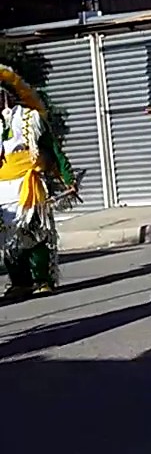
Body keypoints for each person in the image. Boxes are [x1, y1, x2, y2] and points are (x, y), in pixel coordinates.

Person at [0, 65, 76, 300]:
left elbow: (52, 149)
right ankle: (19, 282)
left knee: (36, 232)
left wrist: (67, 178)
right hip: (2, 188)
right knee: (8, 237)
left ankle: (42, 279)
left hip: (28, 183)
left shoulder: (30, 118)